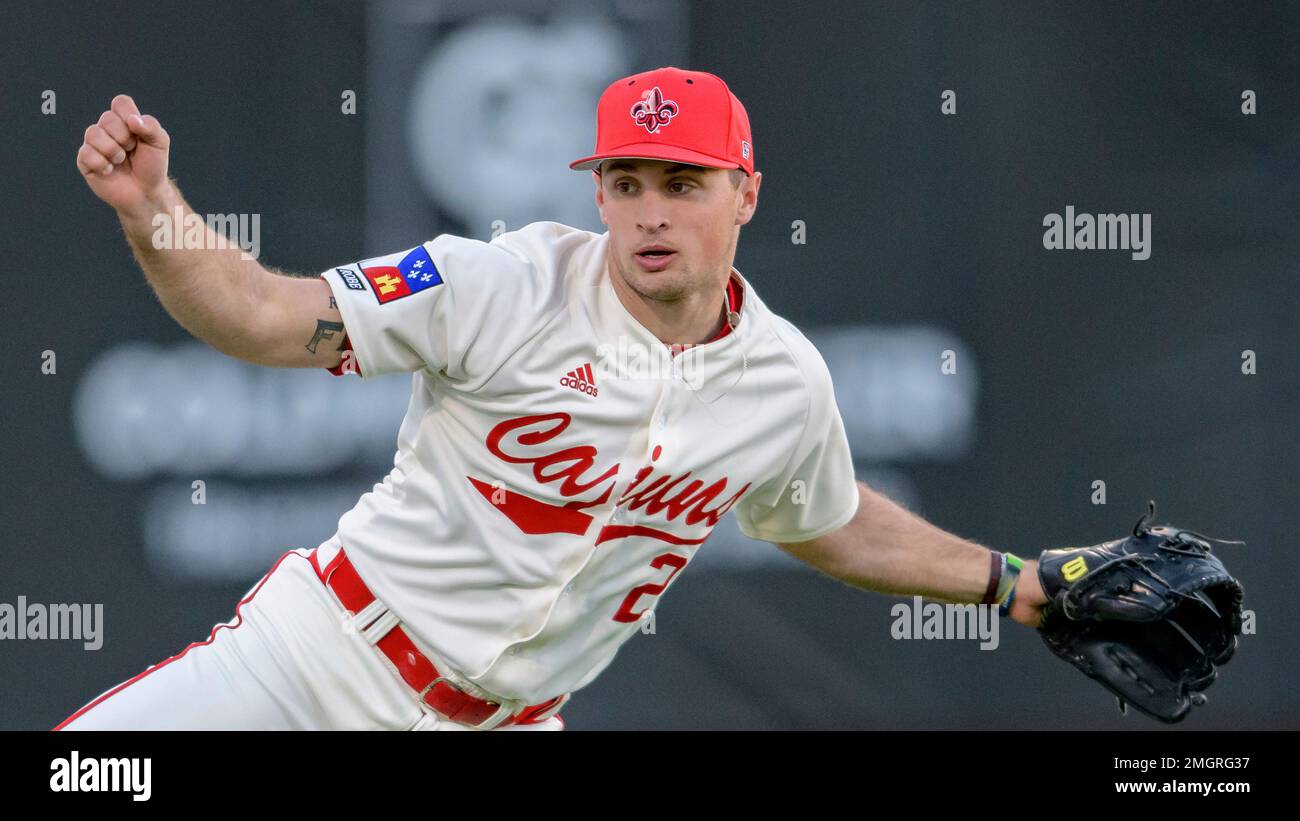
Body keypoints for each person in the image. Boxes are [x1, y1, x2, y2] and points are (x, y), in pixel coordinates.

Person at [58, 66, 1048, 731]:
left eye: (683, 181)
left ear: (745, 192)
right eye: (625, 181)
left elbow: (832, 522)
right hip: (311, 672)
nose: (650, 211)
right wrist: (156, 213)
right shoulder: (497, 284)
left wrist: (1011, 582)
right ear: (598, 194)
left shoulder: (781, 380)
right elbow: (265, 316)